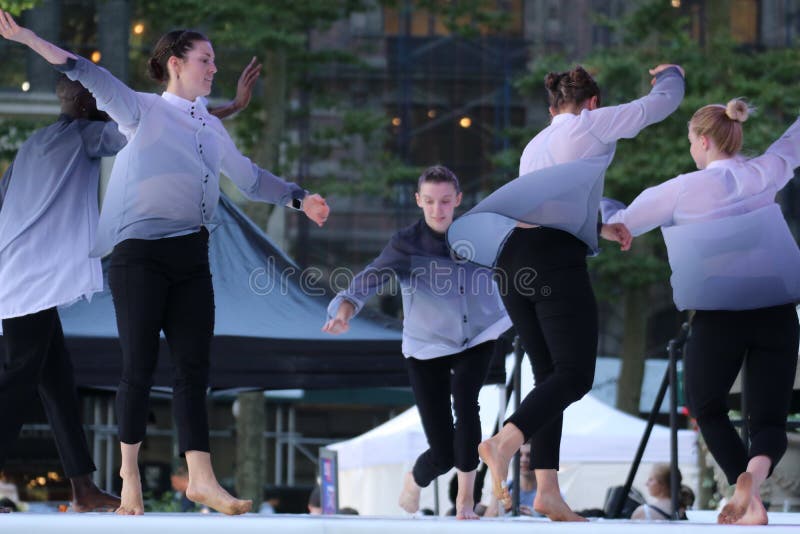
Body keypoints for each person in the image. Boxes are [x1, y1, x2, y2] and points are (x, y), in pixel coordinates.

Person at [0, 10, 329, 516]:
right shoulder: (126, 119)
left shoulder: (201, 128)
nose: (214, 66)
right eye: (206, 59)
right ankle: (122, 480)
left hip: (179, 253)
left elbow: (242, 173)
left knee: (165, 371)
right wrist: (24, 37)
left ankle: (163, 481)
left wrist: (297, 195)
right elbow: (87, 72)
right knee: (112, 370)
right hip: (113, 262)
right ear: (176, 64)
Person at [460, 63, 685, 522]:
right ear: (593, 103)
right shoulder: (591, 124)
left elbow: (555, 202)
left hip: (512, 260)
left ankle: (547, 492)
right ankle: (504, 442)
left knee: (550, 379)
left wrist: (601, 224)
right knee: (576, 375)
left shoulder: (535, 145)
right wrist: (672, 74)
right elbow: (661, 105)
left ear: (550, 108)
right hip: (552, 260)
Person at [606, 99, 800, 526]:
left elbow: (622, 223)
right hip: (778, 312)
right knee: (769, 417)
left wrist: (603, 213)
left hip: (719, 316)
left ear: (705, 141)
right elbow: (793, 142)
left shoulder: (681, 188)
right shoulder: (766, 171)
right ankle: (753, 481)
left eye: (692, 141)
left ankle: (742, 485)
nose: (692, 149)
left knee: (706, 406)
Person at [323, 165, 511, 520]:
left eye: (444, 201)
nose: (438, 210)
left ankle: (466, 501)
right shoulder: (406, 244)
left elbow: (524, 236)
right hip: (427, 345)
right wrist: (344, 310)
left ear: (457, 199)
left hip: (479, 334)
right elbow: (368, 280)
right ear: (418, 201)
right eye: (429, 202)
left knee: (467, 403)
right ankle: (415, 477)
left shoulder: (479, 233)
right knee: (442, 453)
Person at [483, 441, 540, 517]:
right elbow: (488, 518)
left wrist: (535, 515)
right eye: (519, 455)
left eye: (529, 455)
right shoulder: (504, 488)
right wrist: (502, 510)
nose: (523, 460)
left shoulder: (547, 492)